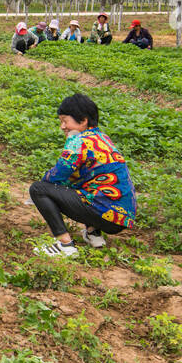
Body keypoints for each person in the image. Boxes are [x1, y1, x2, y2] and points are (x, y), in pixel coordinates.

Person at [29, 94, 136, 257]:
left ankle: (65, 245)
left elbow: (60, 172)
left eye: (65, 121)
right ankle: (94, 235)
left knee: (38, 189)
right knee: (86, 184)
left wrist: (43, 189)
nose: (62, 126)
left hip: (104, 210)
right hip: (121, 218)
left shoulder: (78, 140)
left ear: (83, 120)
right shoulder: (102, 138)